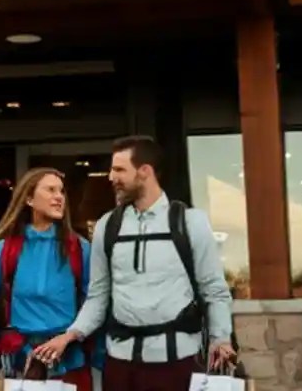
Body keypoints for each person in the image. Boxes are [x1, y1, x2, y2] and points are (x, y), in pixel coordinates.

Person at [33, 136, 236, 391]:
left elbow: (214, 289)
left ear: (145, 172)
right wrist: (71, 334)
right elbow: (98, 296)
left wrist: (221, 339)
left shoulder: (190, 222)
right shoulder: (108, 226)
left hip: (177, 361)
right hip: (120, 364)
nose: (110, 177)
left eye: (119, 169)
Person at [0, 167, 98, 390]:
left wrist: (82, 344)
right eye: (50, 190)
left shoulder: (79, 249)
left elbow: (94, 301)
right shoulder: (6, 249)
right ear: (29, 199)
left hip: (69, 361)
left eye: (61, 191)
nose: (59, 197)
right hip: (20, 362)